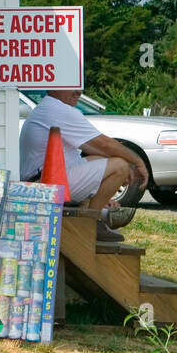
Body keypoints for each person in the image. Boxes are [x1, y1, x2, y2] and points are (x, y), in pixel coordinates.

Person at [19, 88, 148, 241]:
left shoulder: (47, 108)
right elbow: (105, 144)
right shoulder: (58, 109)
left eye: (79, 86)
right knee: (119, 166)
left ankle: (92, 210)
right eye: (71, 86)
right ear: (53, 87)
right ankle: (91, 223)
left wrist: (126, 170)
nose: (78, 92)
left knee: (108, 161)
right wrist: (137, 162)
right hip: (47, 187)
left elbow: (96, 149)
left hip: (42, 183)